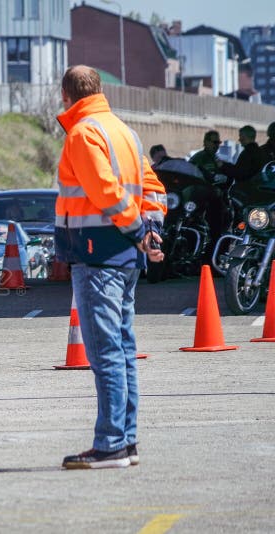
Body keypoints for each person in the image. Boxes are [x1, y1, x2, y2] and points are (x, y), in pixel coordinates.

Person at [54, 65, 166, 469]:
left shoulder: (83, 134)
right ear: (99, 90)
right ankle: (126, 440)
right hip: (124, 257)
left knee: (105, 353)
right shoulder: (124, 131)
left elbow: (106, 191)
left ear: (66, 95)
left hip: (97, 254)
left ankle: (111, 444)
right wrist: (151, 232)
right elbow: (153, 188)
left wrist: (138, 231)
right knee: (122, 349)